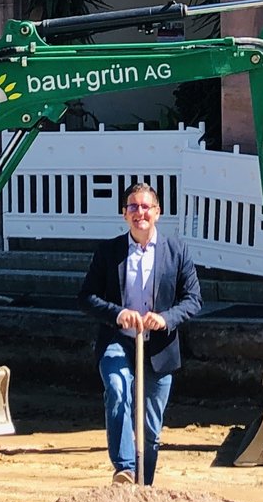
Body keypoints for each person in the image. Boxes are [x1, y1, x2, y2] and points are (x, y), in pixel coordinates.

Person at [79, 181, 202, 484]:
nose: (139, 213)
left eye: (146, 207)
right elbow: (87, 297)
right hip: (118, 341)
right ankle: (124, 469)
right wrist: (119, 314)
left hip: (159, 349)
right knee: (118, 388)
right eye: (133, 207)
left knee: (149, 425)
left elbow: (194, 299)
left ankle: (143, 487)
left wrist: (166, 318)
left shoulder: (177, 251)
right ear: (124, 214)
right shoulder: (109, 252)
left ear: (157, 212)